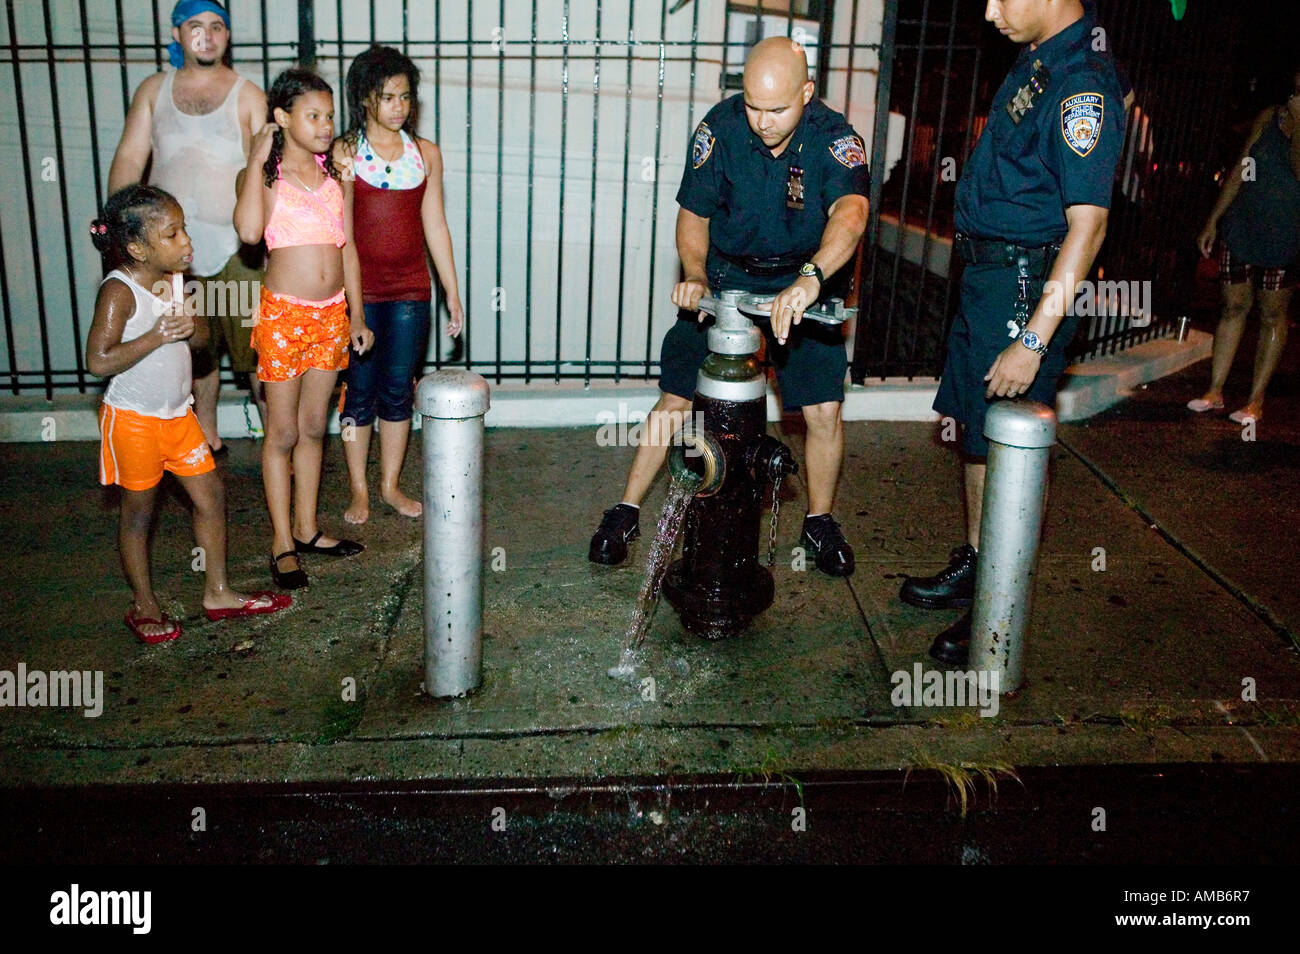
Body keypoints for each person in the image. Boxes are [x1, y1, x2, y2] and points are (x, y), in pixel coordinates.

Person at [587, 36, 869, 577]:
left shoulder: (835, 140)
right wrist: (694, 273)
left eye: (778, 109)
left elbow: (851, 213)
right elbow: (694, 215)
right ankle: (623, 512)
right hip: (729, 278)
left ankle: (820, 521)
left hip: (806, 277)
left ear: (807, 93)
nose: (762, 122)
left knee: (822, 412)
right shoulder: (719, 129)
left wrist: (811, 279)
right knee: (674, 400)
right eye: (753, 107)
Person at [898, 0, 1126, 665]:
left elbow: (1089, 227)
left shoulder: (1082, 82)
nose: (990, 12)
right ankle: (978, 565)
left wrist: (1033, 339)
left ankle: (1001, 605)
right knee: (978, 434)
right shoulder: (1036, 59)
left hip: (1026, 287)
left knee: (1011, 448)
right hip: (991, 277)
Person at [87, 184, 290, 643]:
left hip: (179, 417)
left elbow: (199, 342)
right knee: (138, 513)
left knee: (211, 496)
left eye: (185, 231)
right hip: (134, 421)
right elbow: (98, 360)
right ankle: (144, 604)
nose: (187, 244)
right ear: (138, 248)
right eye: (173, 234)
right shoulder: (119, 292)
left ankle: (218, 591)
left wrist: (190, 326)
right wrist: (155, 337)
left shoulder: (172, 281)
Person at [107, 0, 269, 455]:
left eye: (217, 26)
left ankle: (278, 444)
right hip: (166, 255)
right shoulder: (153, 91)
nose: (208, 36)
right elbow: (129, 158)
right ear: (177, 34)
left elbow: (267, 171)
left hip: (240, 249)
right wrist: (119, 227)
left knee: (259, 354)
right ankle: (204, 438)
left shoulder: (249, 94)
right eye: (195, 26)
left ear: (227, 35)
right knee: (189, 349)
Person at [234, 69, 374, 589]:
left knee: (315, 428)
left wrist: (356, 316)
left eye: (329, 115)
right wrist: (253, 160)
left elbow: (349, 248)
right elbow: (249, 231)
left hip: (330, 316)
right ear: (282, 118)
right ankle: (281, 542)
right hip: (283, 317)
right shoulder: (266, 177)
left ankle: (308, 528)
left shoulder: (338, 175)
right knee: (283, 432)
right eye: (312, 115)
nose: (325, 124)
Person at [337, 45, 465, 524]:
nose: (398, 106)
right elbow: (344, 236)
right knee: (359, 390)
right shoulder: (346, 153)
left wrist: (451, 290)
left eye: (405, 97)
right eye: (387, 97)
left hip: (412, 292)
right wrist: (353, 309)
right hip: (362, 293)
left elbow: (435, 225)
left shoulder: (425, 154)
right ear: (365, 98)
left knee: (397, 389)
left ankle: (389, 484)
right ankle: (358, 490)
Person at [1189, 68, 1300, 425]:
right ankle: (1214, 390)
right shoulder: (1269, 115)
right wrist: (1214, 219)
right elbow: (1241, 167)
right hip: (1243, 226)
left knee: (1271, 314)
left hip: (1285, 234)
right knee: (1233, 305)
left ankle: (1256, 401)